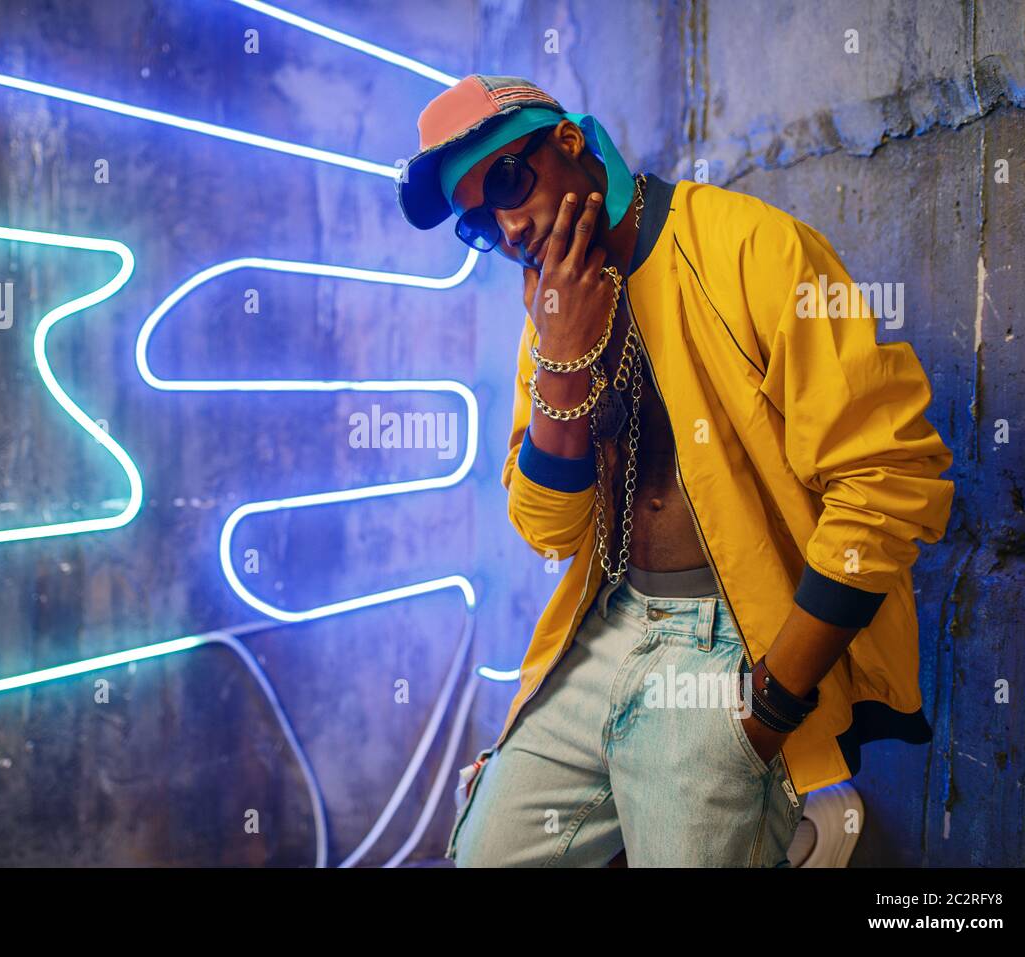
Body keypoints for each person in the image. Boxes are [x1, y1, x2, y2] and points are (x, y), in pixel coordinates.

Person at [395, 75, 955, 867]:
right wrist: (557, 367)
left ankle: (791, 809)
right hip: (609, 620)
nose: (509, 223)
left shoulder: (749, 247)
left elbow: (888, 477)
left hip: (732, 643)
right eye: (479, 222)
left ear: (567, 143)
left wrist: (770, 708)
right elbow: (549, 528)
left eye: (509, 182)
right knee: (486, 853)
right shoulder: (549, 307)